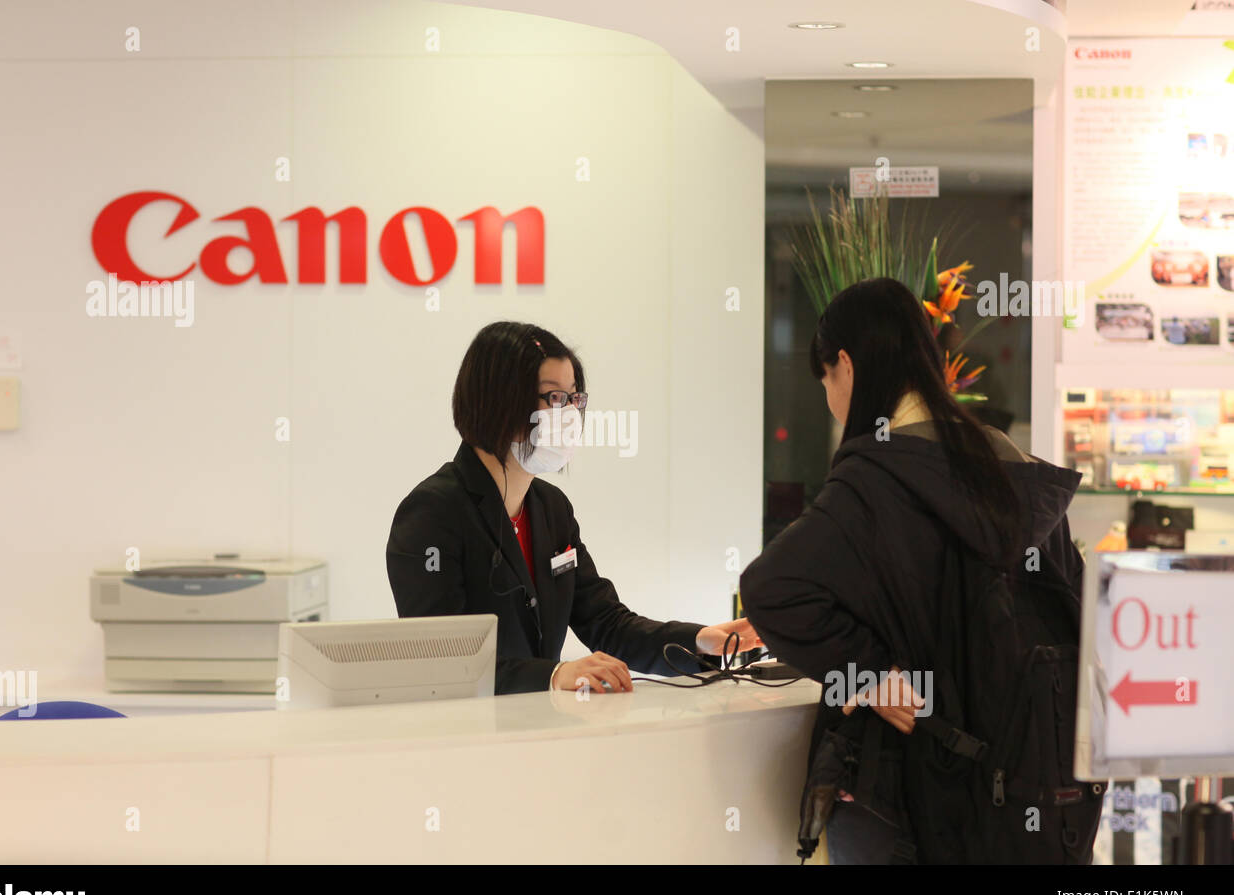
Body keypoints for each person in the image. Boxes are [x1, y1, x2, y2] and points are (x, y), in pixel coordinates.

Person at [739, 277, 1088, 864]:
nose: (829, 398)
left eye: (825, 380)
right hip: (1033, 791)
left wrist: (867, 671)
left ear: (845, 366)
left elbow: (769, 588)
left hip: (909, 796)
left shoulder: (874, 477)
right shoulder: (1011, 467)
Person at [387, 320, 759, 694]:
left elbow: (605, 622)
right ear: (498, 399)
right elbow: (442, 661)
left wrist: (700, 640)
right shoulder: (432, 513)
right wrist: (552, 675)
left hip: (544, 733)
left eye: (573, 398)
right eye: (553, 397)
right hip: (468, 738)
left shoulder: (552, 509)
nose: (567, 413)